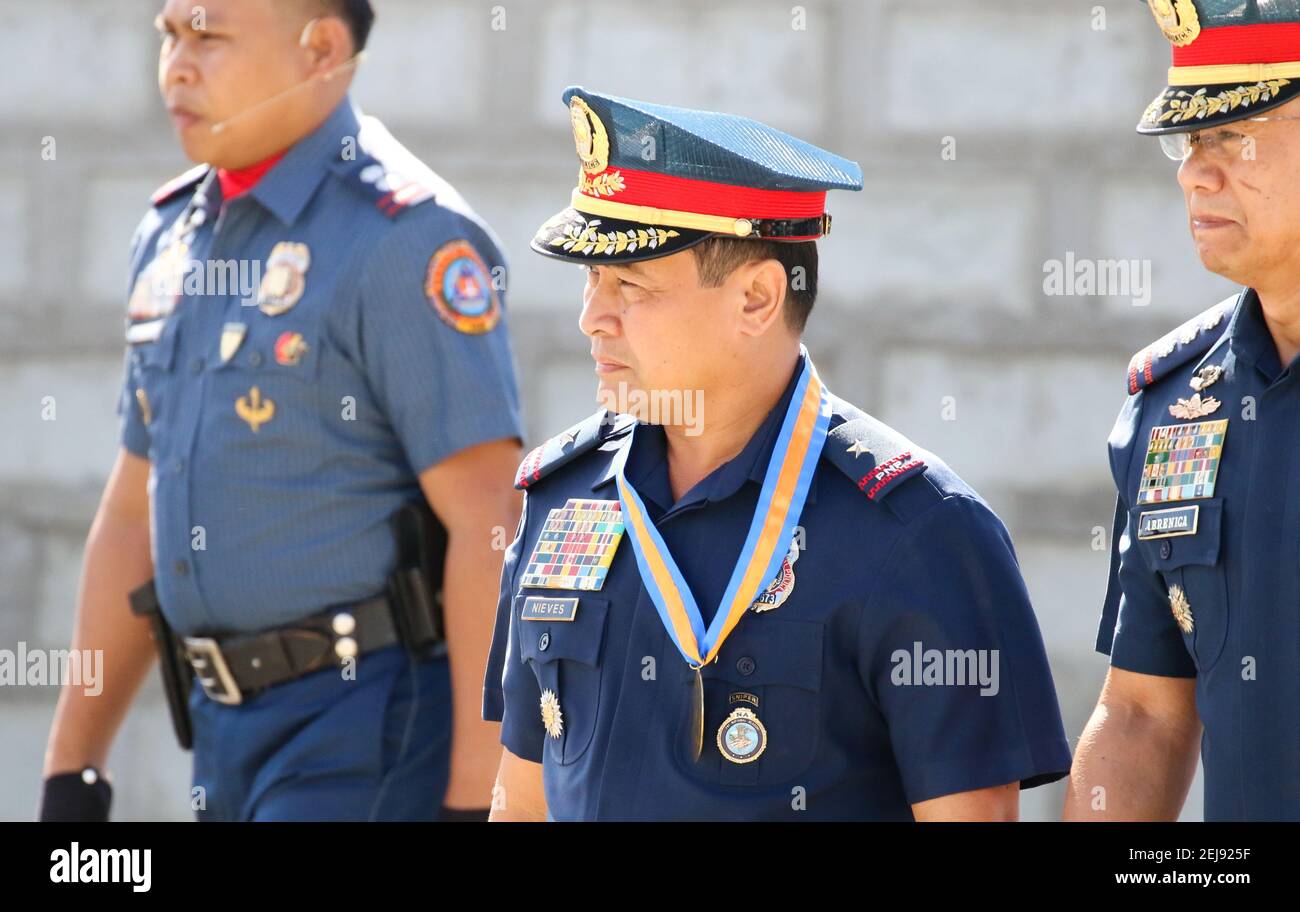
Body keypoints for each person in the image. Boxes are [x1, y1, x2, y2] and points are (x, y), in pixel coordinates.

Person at [481, 87, 1071, 821]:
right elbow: (522, 799)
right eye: (591, 280)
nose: (591, 318)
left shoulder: (921, 532)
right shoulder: (563, 496)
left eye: (629, 285)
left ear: (758, 299)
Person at [39, 0, 523, 822]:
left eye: (208, 36)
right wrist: (72, 772)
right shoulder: (171, 235)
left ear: (320, 49)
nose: (177, 66)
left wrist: (480, 804)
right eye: (170, 36)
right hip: (220, 731)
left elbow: (490, 518)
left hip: (362, 727)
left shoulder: (403, 237)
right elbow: (131, 513)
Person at [1067, 1, 1300, 821]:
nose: (1194, 173)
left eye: (1234, 135)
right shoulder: (1176, 406)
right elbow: (1143, 715)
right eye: (1190, 140)